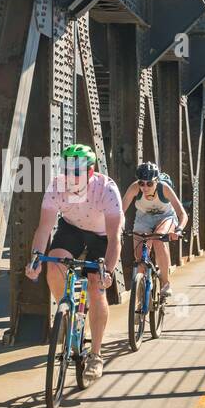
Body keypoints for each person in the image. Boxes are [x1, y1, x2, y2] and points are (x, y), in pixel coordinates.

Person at [25, 144, 122, 382]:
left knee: (96, 286)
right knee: (53, 263)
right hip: (72, 229)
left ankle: (96, 355)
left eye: (76, 172)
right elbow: (44, 229)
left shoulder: (106, 189)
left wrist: (107, 272)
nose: (70, 177)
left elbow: (114, 238)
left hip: (102, 235)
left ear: (90, 172)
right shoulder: (56, 186)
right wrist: (35, 258)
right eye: (66, 170)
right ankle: (67, 312)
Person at [120, 161, 187, 299]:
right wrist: (119, 227)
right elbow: (120, 212)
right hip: (143, 218)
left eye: (149, 183)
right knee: (140, 258)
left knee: (158, 239)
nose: (145, 187)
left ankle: (165, 283)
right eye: (141, 183)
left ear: (156, 181)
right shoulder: (134, 188)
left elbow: (182, 214)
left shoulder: (164, 188)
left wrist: (179, 229)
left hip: (165, 217)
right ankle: (143, 289)